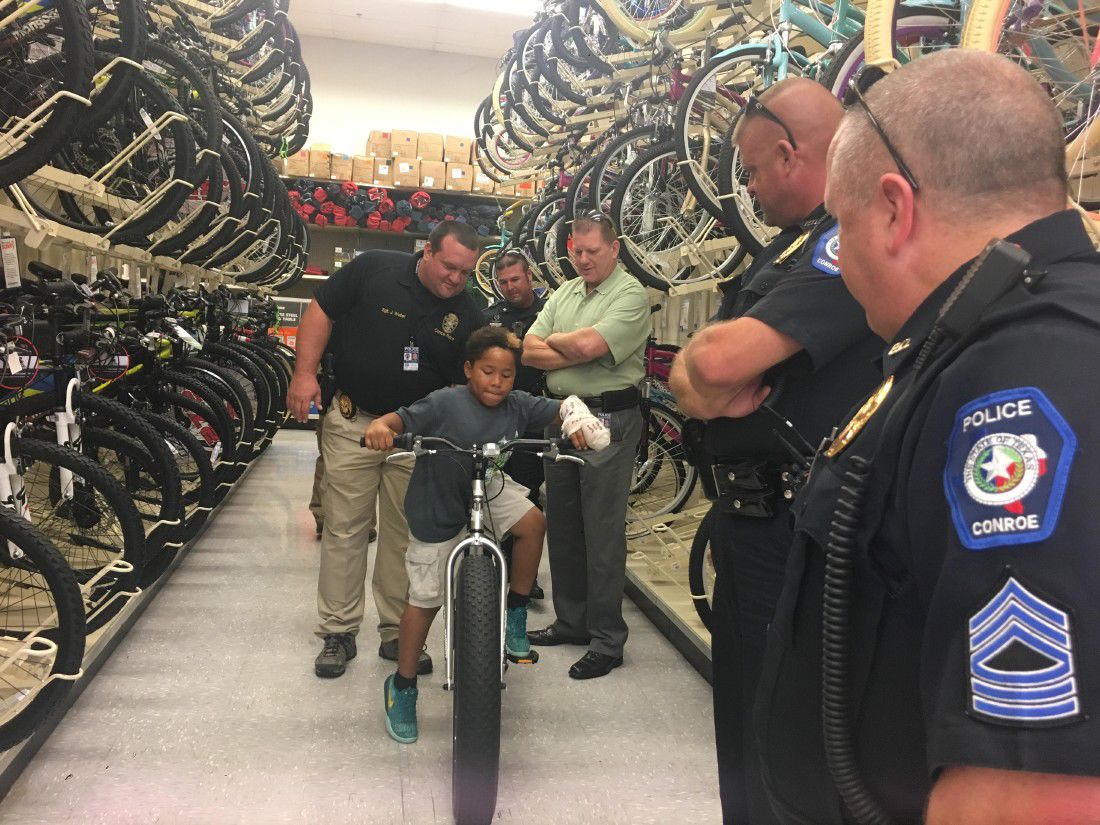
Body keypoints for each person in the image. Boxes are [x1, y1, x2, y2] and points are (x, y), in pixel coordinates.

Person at [754, 50, 1100, 824]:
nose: (841, 266)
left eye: (842, 230)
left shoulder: (1026, 380)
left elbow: (1031, 789)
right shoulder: (980, 344)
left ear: (893, 208)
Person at [668, 77, 881, 824]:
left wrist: (707, 369)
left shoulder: (837, 241)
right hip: (751, 524)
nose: (750, 189)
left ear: (791, 155)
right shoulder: (789, 245)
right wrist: (705, 369)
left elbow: (716, 367)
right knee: (744, 733)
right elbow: (690, 371)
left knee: (775, 747)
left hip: (793, 530)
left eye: (754, 171)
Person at [362, 327, 606, 743]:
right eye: (487, 371)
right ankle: (402, 686)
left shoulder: (516, 405)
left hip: (487, 484)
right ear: (468, 370)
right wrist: (382, 429)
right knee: (425, 599)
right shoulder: (444, 401)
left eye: (507, 375)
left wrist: (578, 417)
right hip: (438, 501)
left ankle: (514, 613)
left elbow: (561, 406)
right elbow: (397, 419)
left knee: (532, 524)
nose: (497, 382)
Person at [287, 220, 482, 679]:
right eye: (450, 267)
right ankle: (338, 631)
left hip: (415, 439)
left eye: (466, 273)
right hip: (353, 422)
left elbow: (462, 384)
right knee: (344, 530)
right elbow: (320, 309)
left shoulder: (468, 313)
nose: (455, 279)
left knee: (404, 537)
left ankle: (397, 631)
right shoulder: (373, 269)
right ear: (427, 252)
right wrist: (304, 374)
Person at [523, 213, 652, 680]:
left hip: (607, 419)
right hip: (560, 415)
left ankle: (607, 640)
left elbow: (589, 346)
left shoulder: (630, 295)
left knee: (600, 533)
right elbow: (528, 349)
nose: (582, 259)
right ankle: (572, 622)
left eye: (592, 251)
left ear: (614, 249)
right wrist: (570, 346)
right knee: (564, 526)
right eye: (576, 250)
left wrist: (567, 345)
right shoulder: (566, 291)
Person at [482, 251, 548, 598]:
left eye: (515, 280)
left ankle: (525, 576)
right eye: (503, 282)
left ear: (529, 277)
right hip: (497, 417)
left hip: (535, 416)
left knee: (529, 494)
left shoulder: (549, 312)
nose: (509, 287)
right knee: (495, 492)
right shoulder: (490, 318)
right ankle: (495, 568)